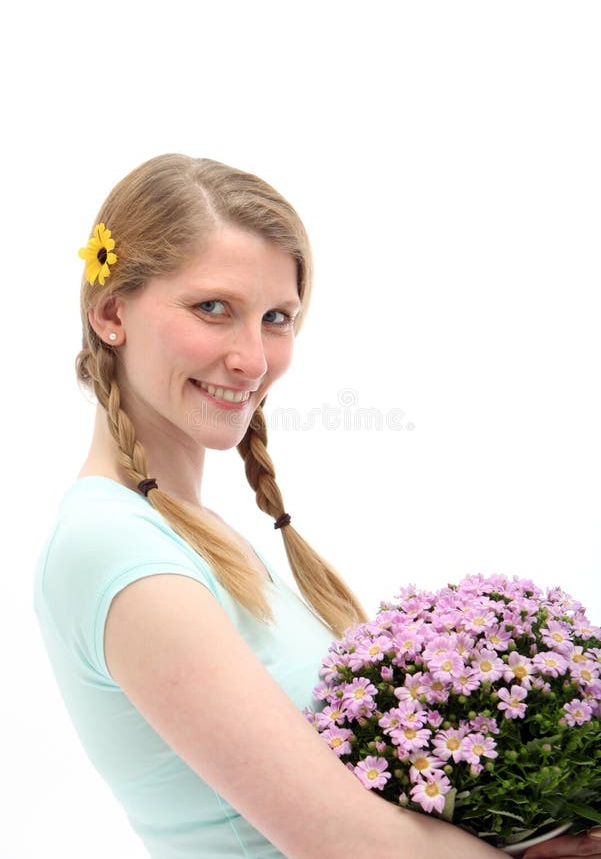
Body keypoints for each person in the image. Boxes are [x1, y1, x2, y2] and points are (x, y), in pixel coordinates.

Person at [34, 154, 601, 859]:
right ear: (111, 310)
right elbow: (344, 842)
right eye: (213, 308)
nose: (252, 357)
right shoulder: (112, 545)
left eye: (276, 318)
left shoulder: (203, 538)